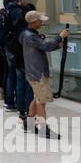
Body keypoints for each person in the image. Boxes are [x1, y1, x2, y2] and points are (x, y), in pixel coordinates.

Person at [20, 10, 68, 139]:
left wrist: (57, 45)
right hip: (38, 73)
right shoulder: (31, 36)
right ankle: (43, 129)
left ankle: (29, 124)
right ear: (33, 22)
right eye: (40, 20)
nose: (41, 22)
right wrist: (60, 36)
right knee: (41, 102)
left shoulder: (26, 34)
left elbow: (42, 47)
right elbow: (45, 46)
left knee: (37, 98)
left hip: (33, 71)